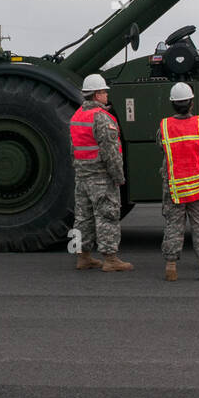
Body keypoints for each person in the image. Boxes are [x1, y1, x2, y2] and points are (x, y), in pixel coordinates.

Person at [70, 73, 132, 272]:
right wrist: (118, 176)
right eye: (104, 92)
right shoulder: (102, 118)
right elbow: (111, 152)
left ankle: (83, 256)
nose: (106, 95)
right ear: (96, 95)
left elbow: (73, 149)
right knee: (107, 215)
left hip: (82, 176)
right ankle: (110, 258)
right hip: (101, 176)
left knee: (82, 216)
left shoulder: (76, 116)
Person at [157, 81, 199, 281]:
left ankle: (171, 267)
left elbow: (161, 145)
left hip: (175, 186)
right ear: (191, 103)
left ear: (173, 104)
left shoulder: (164, 126)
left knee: (174, 225)